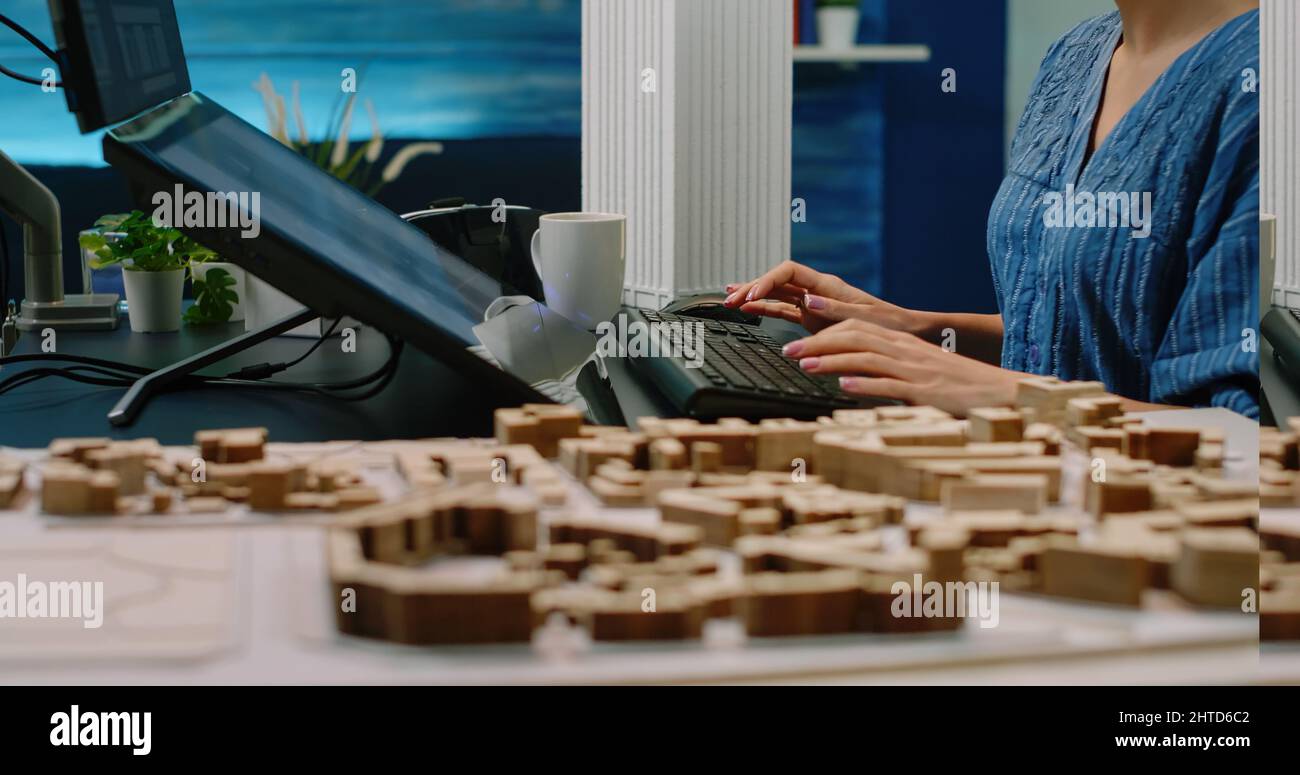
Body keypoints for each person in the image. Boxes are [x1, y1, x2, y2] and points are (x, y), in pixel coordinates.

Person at [726, 0, 1259, 419]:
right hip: (1029, 504)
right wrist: (918, 328)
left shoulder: (1260, 83)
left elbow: (1239, 436)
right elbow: (1093, 328)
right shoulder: (1075, 55)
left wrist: (998, 391)